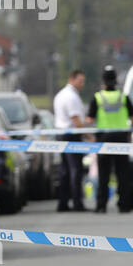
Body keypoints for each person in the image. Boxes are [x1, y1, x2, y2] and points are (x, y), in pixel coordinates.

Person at [88, 64, 133, 213]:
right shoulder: (123, 97)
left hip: (103, 140)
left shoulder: (98, 98)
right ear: (116, 80)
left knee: (104, 175)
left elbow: (89, 120)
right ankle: (124, 205)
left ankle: (101, 205)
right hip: (121, 139)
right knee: (122, 174)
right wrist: (129, 133)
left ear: (103, 80)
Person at [53, 69, 88, 211]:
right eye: (80, 81)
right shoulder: (71, 97)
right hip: (71, 135)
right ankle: (77, 202)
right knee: (75, 170)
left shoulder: (61, 94)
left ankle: (63, 202)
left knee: (65, 170)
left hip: (61, 135)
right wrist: (89, 135)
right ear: (72, 79)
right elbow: (76, 120)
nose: (82, 84)